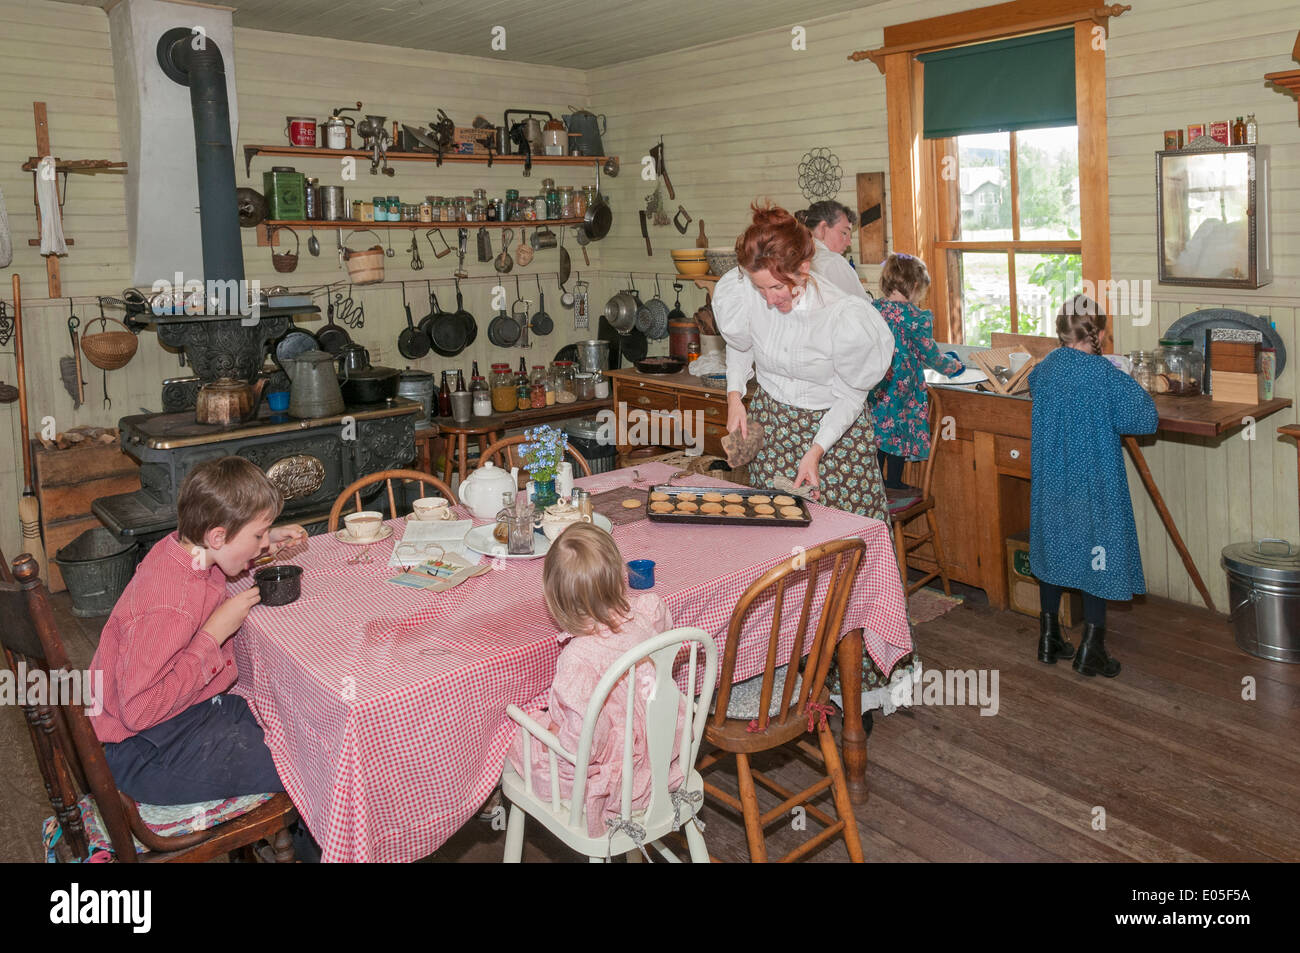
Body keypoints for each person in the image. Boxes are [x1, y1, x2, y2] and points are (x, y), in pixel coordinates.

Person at [88, 457, 315, 853]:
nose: (263, 543)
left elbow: (218, 557)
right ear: (217, 536)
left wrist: (261, 541)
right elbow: (138, 710)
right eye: (257, 535)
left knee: (296, 729)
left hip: (182, 716)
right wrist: (212, 636)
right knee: (304, 766)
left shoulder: (182, 550)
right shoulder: (169, 606)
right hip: (142, 749)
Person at [715, 201, 894, 516]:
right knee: (774, 531)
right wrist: (734, 397)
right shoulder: (748, 291)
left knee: (840, 540)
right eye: (761, 289)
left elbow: (852, 395)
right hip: (773, 427)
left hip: (835, 437)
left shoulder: (840, 315)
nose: (770, 299)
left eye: (777, 287)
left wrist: (816, 451)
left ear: (804, 268)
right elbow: (741, 342)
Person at [507, 522, 685, 836]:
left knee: (519, 742)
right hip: (662, 752)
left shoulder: (579, 658)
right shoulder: (644, 615)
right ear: (620, 578)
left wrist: (555, 733)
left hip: (618, 780)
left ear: (556, 601)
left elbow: (585, 745)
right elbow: (665, 641)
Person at [1028, 296, 1157, 677]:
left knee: (1055, 547)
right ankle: (1092, 648)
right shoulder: (1104, 374)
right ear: (1099, 333)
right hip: (1092, 480)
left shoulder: (1045, 368)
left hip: (1052, 478)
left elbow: (1042, 391)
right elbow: (1145, 418)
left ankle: (1049, 636)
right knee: (1097, 552)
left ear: (1061, 331)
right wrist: (1126, 377)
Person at [869, 252, 964, 491]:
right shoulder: (914, 317)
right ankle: (894, 482)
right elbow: (930, 355)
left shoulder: (873, 309)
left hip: (876, 383)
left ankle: (877, 482)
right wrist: (954, 366)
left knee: (879, 431)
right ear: (913, 285)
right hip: (903, 388)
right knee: (900, 430)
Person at [795, 200, 867, 299]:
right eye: (844, 233)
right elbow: (863, 304)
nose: (849, 242)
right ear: (823, 229)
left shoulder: (795, 256)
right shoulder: (833, 261)